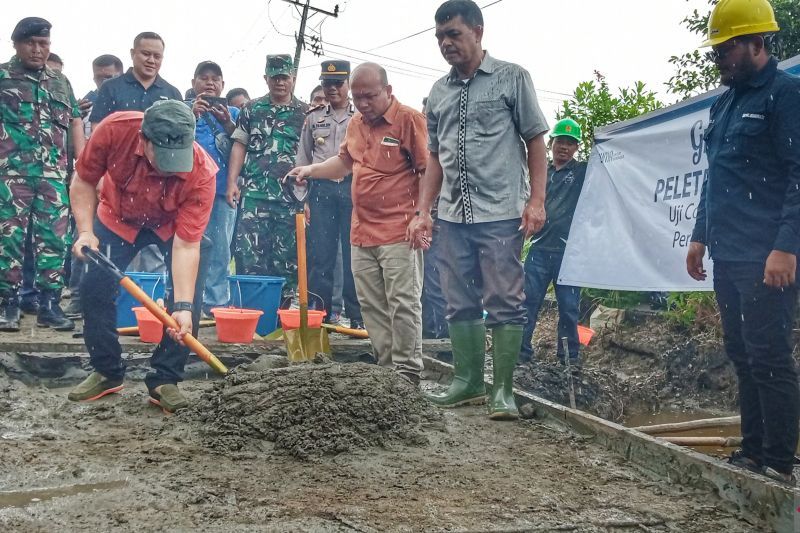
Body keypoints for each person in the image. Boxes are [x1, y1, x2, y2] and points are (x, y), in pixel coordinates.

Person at [407, 0, 548, 420]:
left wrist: (536, 200)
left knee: (505, 298)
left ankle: (501, 391)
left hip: (502, 211)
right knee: (457, 298)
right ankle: (466, 382)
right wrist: (423, 210)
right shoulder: (438, 92)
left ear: (478, 32)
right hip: (452, 214)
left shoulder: (512, 78)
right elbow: (435, 157)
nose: (446, 44)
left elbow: (536, 141)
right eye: (440, 38)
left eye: (454, 34)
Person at [686, 0, 800, 486]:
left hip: (766, 253)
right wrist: (697, 234)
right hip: (727, 252)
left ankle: (778, 461)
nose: (718, 60)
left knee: (769, 354)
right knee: (740, 351)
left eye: (725, 49)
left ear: (757, 42)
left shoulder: (785, 95)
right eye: (715, 51)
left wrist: (786, 245)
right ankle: (753, 452)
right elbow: (716, 178)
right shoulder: (724, 103)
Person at [68, 100, 217, 412]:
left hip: (171, 225)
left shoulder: (202, 173)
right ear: (143, 139)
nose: (169, 166)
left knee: (186, 300)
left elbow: (187, 245)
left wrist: (184, 307)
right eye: (162, 157)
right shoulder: (114, 130)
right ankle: (107, 371)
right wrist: (85, 231)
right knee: (92, 288)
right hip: (117, 218)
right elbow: (83, 179)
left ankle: (165, 378)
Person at [288, 62, 428, 385]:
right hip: (361, 230)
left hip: (399, 229)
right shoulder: (355, 124)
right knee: (371, 303)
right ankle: (387, 366)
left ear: (388, 91)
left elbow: (428, 170)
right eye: (358, 97)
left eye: (370, 96)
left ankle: (407, 371)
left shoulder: (408, 120)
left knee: (403, 301)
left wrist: (422, 215)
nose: (363, 103)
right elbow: (343, 164)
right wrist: (310, 170)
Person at [0, 17, 84, 332]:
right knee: (9, 240)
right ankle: (7, 304)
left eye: (43, 44)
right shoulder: (3, 77)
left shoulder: (61, 82)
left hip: (53, 177)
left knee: (54, 240)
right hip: (11, 176)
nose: (37, 50)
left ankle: (50, 305)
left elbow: (75, 121)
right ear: (16, 44)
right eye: (31, 43)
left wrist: (82, 166)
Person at [90, 32, 182, 275]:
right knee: (106, 246)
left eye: (157, 56)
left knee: (154, 251)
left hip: (157, 185)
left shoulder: (172, 93)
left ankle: (151, 298)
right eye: (146, 54)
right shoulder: (112, 88)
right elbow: (97, 133)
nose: (151, 60)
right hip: (118, 181)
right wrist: (98, 177)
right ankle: (94, 298)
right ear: (132, 54)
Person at [226, 54, 308, 294]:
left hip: (290, 198)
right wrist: (232, 182)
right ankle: (253, 310)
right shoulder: (252, 109)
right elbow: (240, 145)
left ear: (292, 78)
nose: (279, 83)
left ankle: (282, 315)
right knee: (250, 256)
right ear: (265, 78)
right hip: (254, 195)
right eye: (274, 78)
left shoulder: (305, 113)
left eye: (284, 77)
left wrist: (308, 198)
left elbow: (311, 155)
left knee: (287, 259)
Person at [296, 60, 363, 329]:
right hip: (321, 190)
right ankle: (321, 315)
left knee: (353, 255)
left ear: (348, 85)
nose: (333, 89)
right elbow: (303, 157)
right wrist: (304, 199)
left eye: (338, 83)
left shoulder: (360, 116)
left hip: (352, 188)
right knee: (320, 254)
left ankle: (357, 317)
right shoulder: (313, 117)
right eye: (327, 83)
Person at [63, 54, 125, 319]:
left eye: (109, 77)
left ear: (120, 75)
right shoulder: (85, 104)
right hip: (90, 180)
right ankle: (78, 297)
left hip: (122, 183)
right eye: (99, 77)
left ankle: (122, 302)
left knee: (119, 243)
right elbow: (77, 146)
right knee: (86, 237)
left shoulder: (124, 101)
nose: (104, 82)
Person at [520, 119, 586, 366]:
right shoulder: (540, 173)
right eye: (560, 142)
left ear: (577, 148)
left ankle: (568, 359)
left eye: (570, 143)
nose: (564, 148)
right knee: (527, 303)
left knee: (569, 309)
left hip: (569, 253)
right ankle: (521, 354)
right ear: (551, 144)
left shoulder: (582, 173)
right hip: (539, 249)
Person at [186, 61, 240, 316]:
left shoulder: (235, 114)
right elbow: (172, 140)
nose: (209, 82)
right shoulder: (183, 110)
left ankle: (216, 302)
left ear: (223, 85)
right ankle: (186, 300)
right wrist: (191, 116)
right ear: (193, 82)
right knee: (186, 245)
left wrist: (228, 123)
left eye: (215, 78)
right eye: (203, 77)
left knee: (220, 248)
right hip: (188, 193)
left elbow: (244, 147)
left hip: (222, 191)